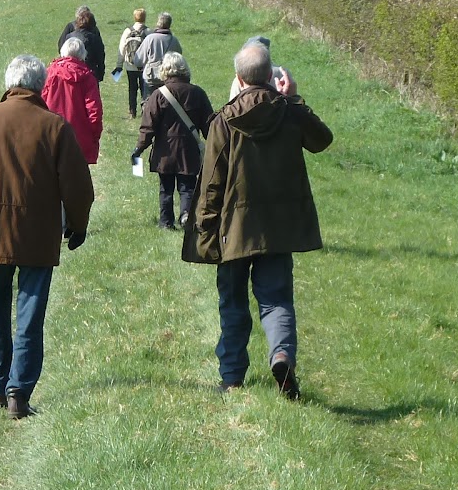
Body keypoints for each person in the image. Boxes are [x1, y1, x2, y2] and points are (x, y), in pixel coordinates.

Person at [0, 55, 95, 420]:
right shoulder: (55, 126)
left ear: (10, 83)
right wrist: (77, 225)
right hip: (39, 239)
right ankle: (18, 393)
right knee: (29, 316)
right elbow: (78, 188)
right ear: (41, 86)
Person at [193, 43, 332, 400]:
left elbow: (211, 182)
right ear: (273, 76)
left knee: (233, 301)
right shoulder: (288, 112)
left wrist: (204, 232)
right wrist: (295, 100)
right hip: (277, 230)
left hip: (233, 231)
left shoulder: (224, 121)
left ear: (239, 78)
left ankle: (232, 377)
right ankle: (281, 355)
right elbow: (322, 139)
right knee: (276, 300)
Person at [133, 51, 214, 229]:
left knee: (166, 189)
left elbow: (148, 127)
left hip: (165, 151)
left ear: (165, 70)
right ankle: (186, 215)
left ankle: (166, 222)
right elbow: (210, 125)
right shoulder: (197, 93)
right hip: (188, 150)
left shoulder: (158, 95)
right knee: (188, 188)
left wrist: (139, 148)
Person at [41, 37, 103, 166]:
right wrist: (94, 137)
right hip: (79, 138)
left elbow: (40, 102)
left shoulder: (50, 73)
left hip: (51, 133)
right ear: (82, 54)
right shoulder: (88, 78)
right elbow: (94, 112)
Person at [226, 36, 297, 102]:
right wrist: (293, 98)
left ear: (240, 79)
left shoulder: (239, 79)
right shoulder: (283, 74)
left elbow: (233, 102)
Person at [134, 11, 183, 95]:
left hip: (151, 78)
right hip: (168, 78)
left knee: (148, 103)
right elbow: (179, 59)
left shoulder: (150, 39)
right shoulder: (174, 41)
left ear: (158, 23)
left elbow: (138, 60)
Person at [57, 6, 105, 85]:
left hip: (71, 73)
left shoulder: (69, 36)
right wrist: (100, 73)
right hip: (89, 73)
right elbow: (100, 56)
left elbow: (61, 48)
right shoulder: (95, 38)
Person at [115, 8, 149, 119]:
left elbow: (121, 49)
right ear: (145, 17)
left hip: (130, 66)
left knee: (132, 88)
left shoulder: (127, 31)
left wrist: (119, 65)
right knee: (145, 89)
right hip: (144, 66)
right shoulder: (149, 32)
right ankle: (145, 111)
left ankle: (132, 111)